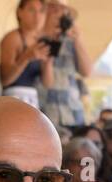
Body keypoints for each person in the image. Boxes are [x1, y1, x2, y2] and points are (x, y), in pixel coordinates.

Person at [36, 2, 91, 130]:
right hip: (44, 113)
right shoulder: (34, 38)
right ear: (44, 11)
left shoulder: (71, 41)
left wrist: (78, 39)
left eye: (62, 9)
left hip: (72, 113)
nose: (57, 13)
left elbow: (87, 71)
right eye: (53, 7)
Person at [0, 0, 53, 108]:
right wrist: (26, 58)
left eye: (41, 11)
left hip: (33, 99)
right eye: (31, 10)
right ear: (20, 12)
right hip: (13, 98)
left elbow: (48, 84)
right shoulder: (13, 38)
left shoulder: (42, 41)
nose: (37, 16)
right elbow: (5, 80)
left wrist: (48, 63)